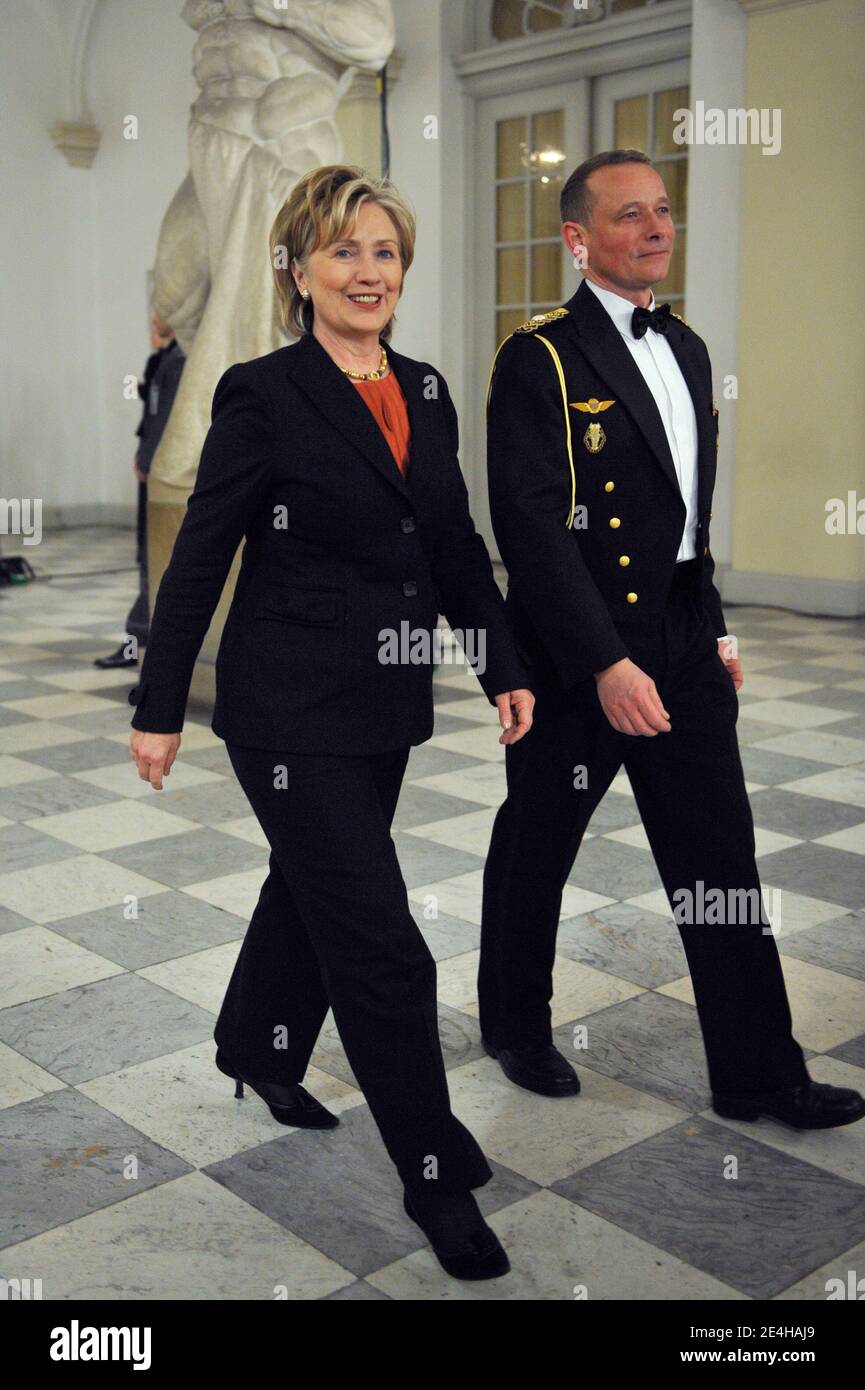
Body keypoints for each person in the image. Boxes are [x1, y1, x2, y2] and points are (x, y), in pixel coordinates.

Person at [128, 164, 535, 1280]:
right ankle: (433, 1173)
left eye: (385, 252)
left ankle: (251, 1045)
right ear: (298, 268)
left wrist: (499, 661)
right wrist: (160, 706)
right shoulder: (263, 391)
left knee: (309, 891)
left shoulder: (430, 389)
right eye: (344, 250)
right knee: (379, 942)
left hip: (383, 701)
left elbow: (451, 544)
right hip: (285, 708)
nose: (368, 271)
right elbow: (204, 548)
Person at [479, 148, 864, 1131]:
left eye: (662, 212)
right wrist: (604, 662)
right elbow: (529, 525)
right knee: (538, 839)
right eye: (628, 215)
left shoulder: (688, 348)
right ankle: (514, 1023)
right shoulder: (541, 358)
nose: (656, 229)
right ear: (577, 238)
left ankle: (757, 1071)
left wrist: (718, 624)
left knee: (719, 858)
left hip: (684, 633)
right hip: (578, 651)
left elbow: (685, 516)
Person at [95, 315, 185, 669]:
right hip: (151, 469)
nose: (152, 328)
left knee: (154, 559)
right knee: (148, 557)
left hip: (159, 472)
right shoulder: (163, 360)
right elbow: (153, 408)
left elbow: (167, 420)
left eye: (158, 323)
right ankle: (137, 641)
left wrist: (148, 460)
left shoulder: (178, 362)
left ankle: (137, 641)